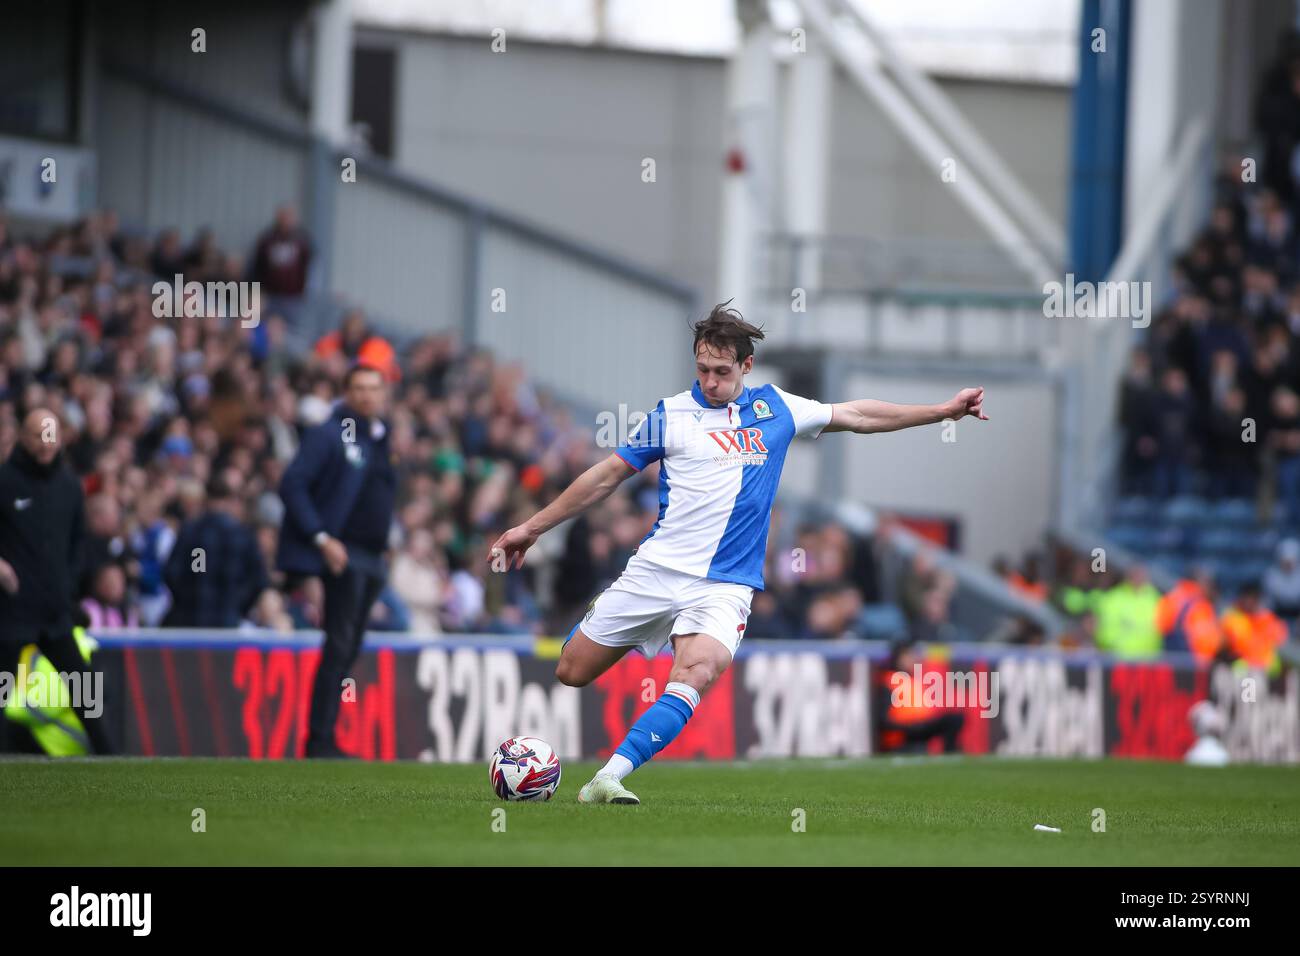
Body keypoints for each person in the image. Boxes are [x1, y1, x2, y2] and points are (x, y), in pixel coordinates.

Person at [489, 302, 988, 803]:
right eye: (702, 370)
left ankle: (608, 777)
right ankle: (605, 617)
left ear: (746, 366)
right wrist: (532, 528)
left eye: (722, 372)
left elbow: (859, 414)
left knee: (695, 672)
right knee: (571, 671)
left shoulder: (779, 409)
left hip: (726, 584)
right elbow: (606, 477)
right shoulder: (670, 415)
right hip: (656, 570)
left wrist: (941, 411)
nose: (710, 381)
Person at [276, 365, 396, 758]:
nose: (366, 396)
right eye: (358, 388)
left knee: (348, 646)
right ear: (346, 393)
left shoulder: (379, 437)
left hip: (373, 557)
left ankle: (325, 735)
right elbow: (292, 483)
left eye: (373, 388)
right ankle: (319, 740)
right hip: (346, 554)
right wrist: (322, 538)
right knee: (338, 643)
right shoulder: (330, 434)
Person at [0, 409, 114, 754]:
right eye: (39, 435)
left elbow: (78, 543)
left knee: (84, 692)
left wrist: (68, 587)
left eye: (52, 435)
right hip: (10, 612)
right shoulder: (4, 482)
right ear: (23, 437)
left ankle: (113, 760)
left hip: (54, 612)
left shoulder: (69, 487)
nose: (47, 444)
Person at [164, 471, 272, 627]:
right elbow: (258, 580)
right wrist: (238, 606)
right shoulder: (242, 535)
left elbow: (177, 574)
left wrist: (187, 600)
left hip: (194, 621)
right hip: (228, 622)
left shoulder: (194, 533)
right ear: (229, 500)